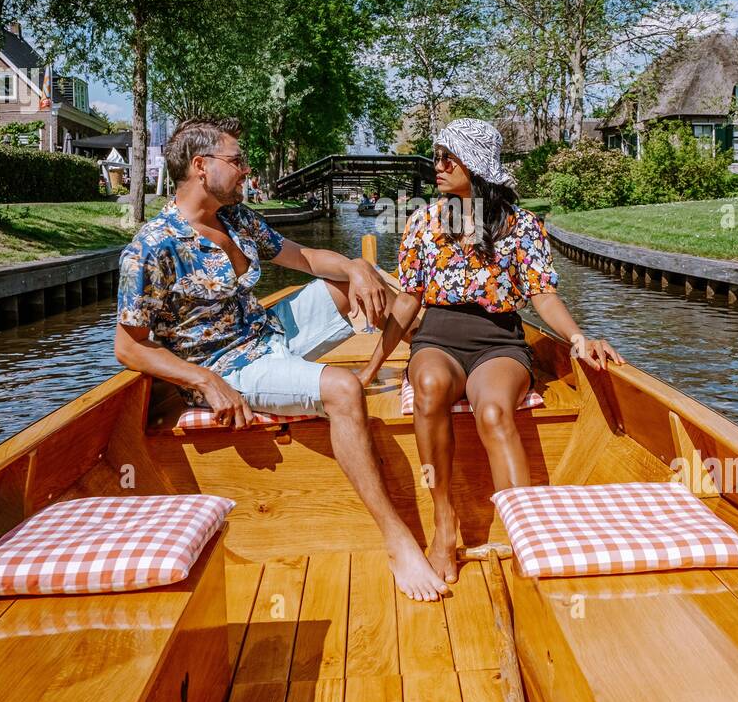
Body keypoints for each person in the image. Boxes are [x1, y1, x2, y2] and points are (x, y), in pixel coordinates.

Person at [115, 116, 451, 602]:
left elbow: (309, 259)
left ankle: (433, 350)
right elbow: (128, 346)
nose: (247, 170)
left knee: (355, 280)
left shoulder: (236, 219)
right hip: (233, 365)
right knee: (344, 389)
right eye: (238, 161)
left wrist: (358, 267)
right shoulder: (152, 247)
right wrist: (206, 380)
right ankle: (397, 540)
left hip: (270, 331)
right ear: (201, 166)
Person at [358, 117, 625, 586]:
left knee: (496, 412)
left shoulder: (521, 226)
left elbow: (542, 294)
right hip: (437, 338)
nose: (436, 166)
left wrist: (579, 337)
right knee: (429, 387)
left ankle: (529, 535)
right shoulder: (423, 221)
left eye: (447, 158)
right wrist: (371, 367)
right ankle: (445, 525)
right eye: (436, 157)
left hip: (499, 341)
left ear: (475, 167)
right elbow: (407, 301)